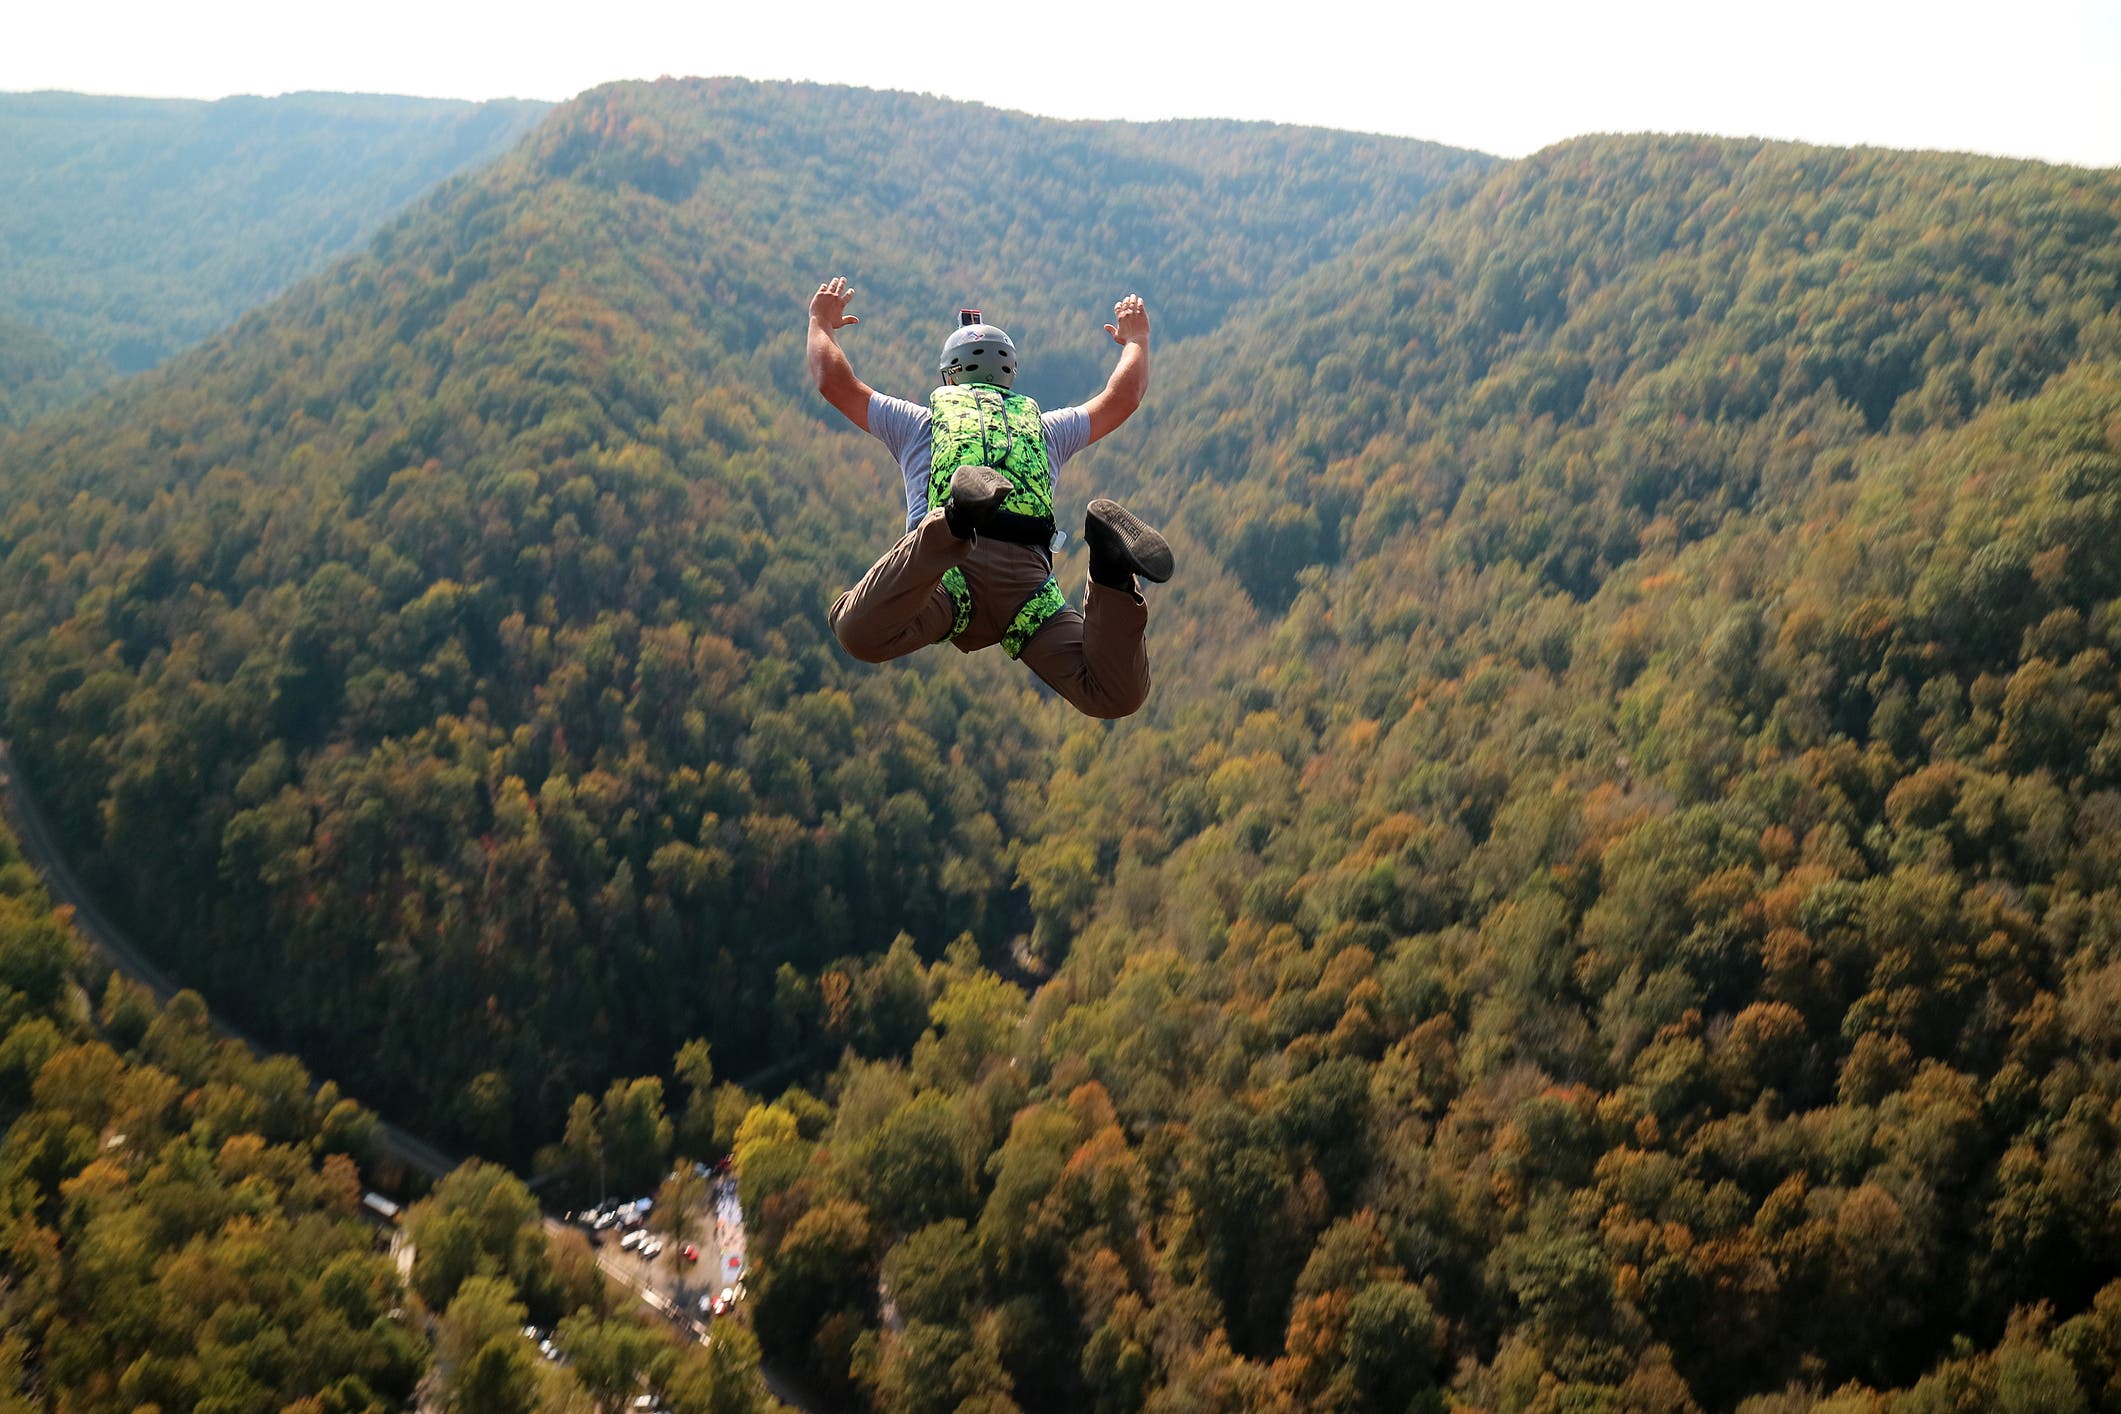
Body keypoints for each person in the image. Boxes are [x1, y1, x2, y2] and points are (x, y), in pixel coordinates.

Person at [807, 276, 1172, 719]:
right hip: (1026, 586)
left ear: (949, 376)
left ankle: (955, 520)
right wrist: (1138, 339)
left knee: (856, 631)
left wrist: (820, 322)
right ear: (1010, 375)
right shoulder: (1046, 429)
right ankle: (1111, 572)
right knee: (1116, 695)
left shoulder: (919, 423)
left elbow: (833, 381)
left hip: (948, 576)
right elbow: (1123, 397)